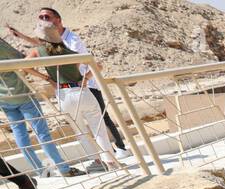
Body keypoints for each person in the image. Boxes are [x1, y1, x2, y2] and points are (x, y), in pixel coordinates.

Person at [30, 8, 129, 159]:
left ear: (58, 19)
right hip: (79, 86)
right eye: (41, 17)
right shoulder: (62, 48)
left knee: (92, 124)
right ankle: (110, 158)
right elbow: (95, 64)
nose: (43, 18)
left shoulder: (68, 41)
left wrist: (48, 78)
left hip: (75, 89)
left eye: (46, 16)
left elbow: (26, 64)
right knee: (96, 126)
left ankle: (110, 153)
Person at [0, 35, 77, 178]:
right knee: (42, 133)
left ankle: (41, 171)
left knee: (20, 135)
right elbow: (22, 58)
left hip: (4, 98)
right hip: (22, 93)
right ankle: (63, 168)